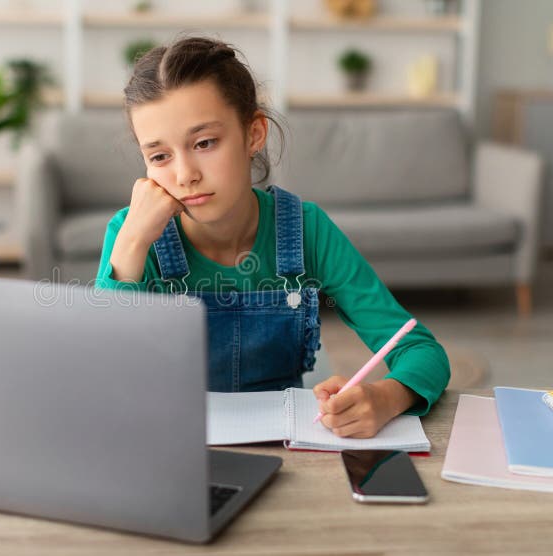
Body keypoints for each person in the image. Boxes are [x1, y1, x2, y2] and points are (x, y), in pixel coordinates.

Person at [95, 36, 449, 439]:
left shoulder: (306, 228)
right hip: (168, 443)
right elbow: (102, 380)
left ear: (254, 134)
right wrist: (132, 244)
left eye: (205, 142)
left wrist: (388, 396)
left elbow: (422, 351)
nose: (184, 174)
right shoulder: (131, 236)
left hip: (286, 451)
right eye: (160, 156)